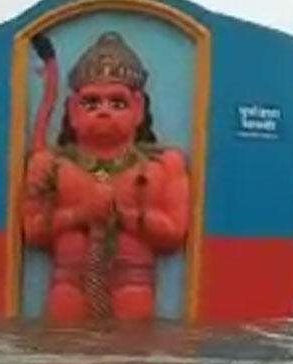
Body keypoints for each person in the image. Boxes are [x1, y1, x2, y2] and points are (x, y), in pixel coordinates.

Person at [19, 31, 190, 323]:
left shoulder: (163, 165)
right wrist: (80, 214)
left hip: (134, 283)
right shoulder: (48, 164)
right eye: (91, 103)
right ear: (73, 111)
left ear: (138, 109)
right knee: (60, 356)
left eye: (117, 103)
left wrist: (127, 215)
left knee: (131, 357)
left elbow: (174, 232)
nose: (104, 111)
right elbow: (33, 230)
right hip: (68, 284)